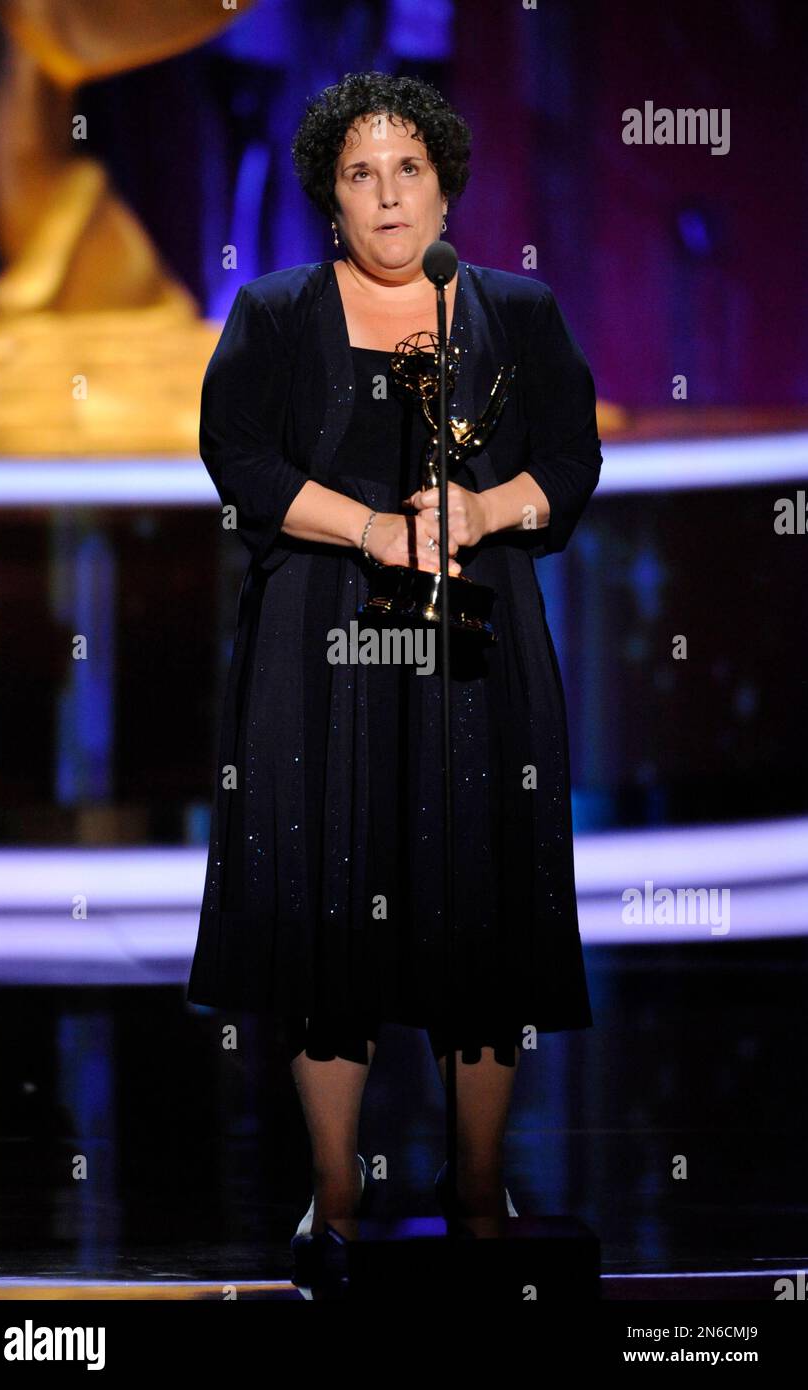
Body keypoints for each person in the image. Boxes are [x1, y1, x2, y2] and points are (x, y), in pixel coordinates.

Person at [186, 71, 602, 1247]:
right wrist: (370, 527)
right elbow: (240, 462)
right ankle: (336, 1191)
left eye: (407, 169)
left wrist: (479, 511)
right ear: (329, 194)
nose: (385, 196)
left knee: (478, 899)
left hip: (473, 647)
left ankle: (478, 1189)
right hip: (314, 650)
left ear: (443, 185)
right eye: (360, 174)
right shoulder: (273, 312)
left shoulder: (514, 311)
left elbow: (570, 462)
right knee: (326, 916)